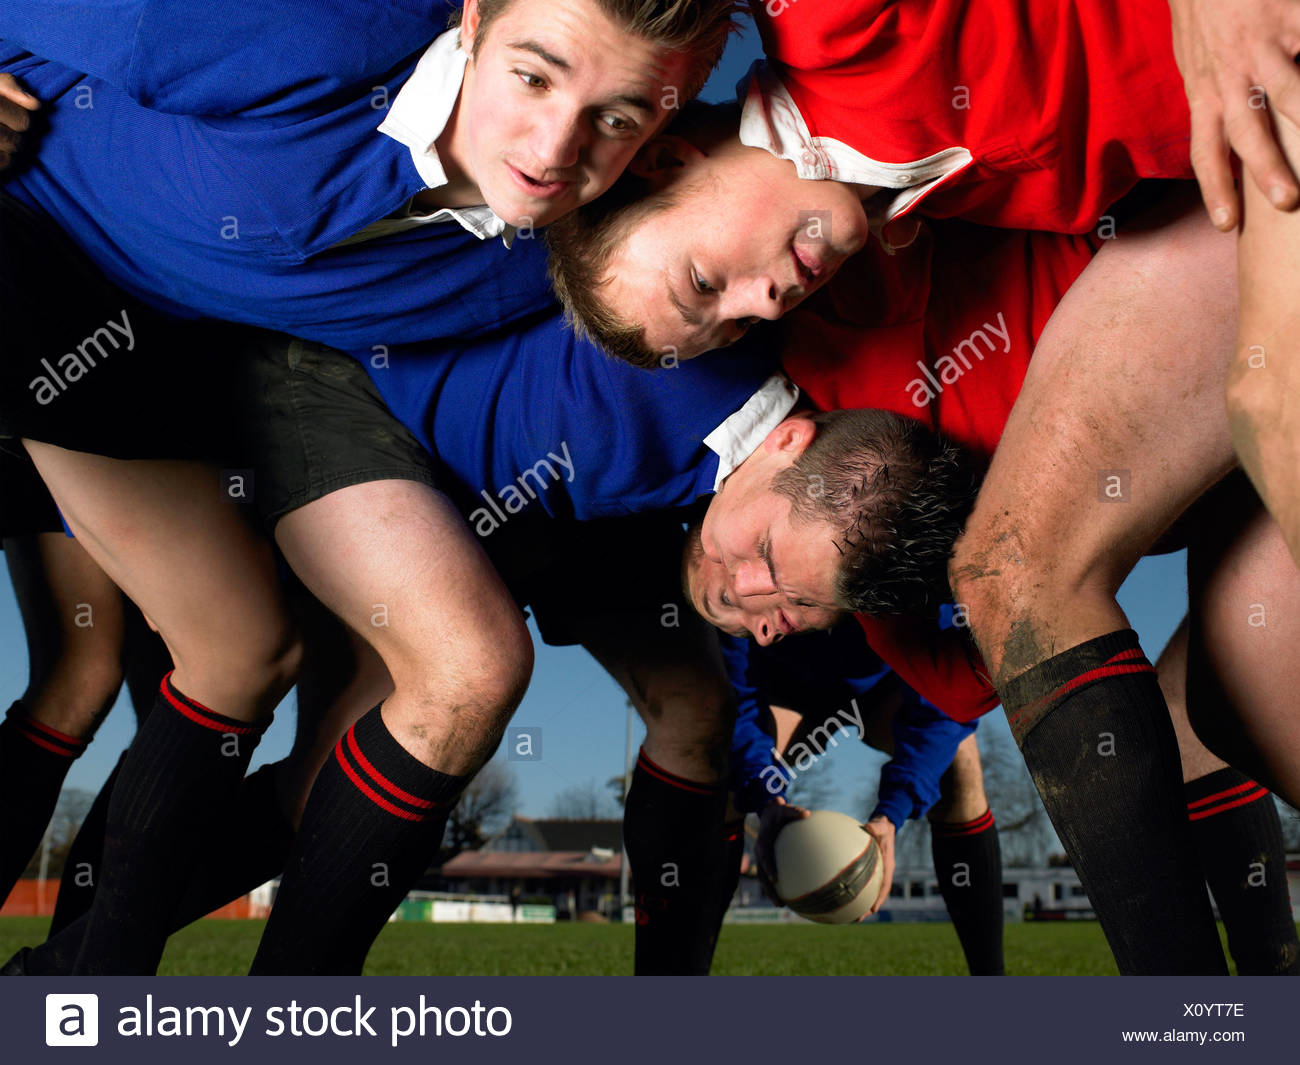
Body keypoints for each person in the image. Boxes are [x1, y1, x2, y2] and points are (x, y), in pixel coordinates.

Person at [0, 0, 741, 974]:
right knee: (188, 658)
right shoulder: (299, 33)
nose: (555, 142)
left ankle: (77, 986)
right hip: (55, 265)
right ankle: (86, 994)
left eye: (618, 113)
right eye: (534, 74)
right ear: (472, 20)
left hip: (224, 343)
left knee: (340, 711)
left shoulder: (587, 247)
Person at [682, 215, 1300, 973]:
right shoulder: (857, 601)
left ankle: (1183, 1015)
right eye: (787, 606)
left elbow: (872, 203)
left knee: (1012, 580)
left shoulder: (836, 342)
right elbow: (957, 685)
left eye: (764, 561)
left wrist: (889, 808)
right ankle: (1270, 982)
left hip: (1218, 264)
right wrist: (777, 803)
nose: (755, 600)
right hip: (1224, 465)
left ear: (790, 442)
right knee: (1218, 708)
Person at [546, 0, 1195, 363]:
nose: (767, 304)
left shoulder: (823, 22)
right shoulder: (950, 206)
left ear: (667, 162)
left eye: (705, 284)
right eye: (739, 325)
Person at [720, 618, 1005, 976]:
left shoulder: (911, 569)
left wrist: (891, 813)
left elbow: (942, 702)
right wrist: (764, 798)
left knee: (959, 761)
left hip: (882, 687)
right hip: (782, 688)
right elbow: (736, 699)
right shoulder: (744, 573)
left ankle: (990, 975)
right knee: (721, 775)